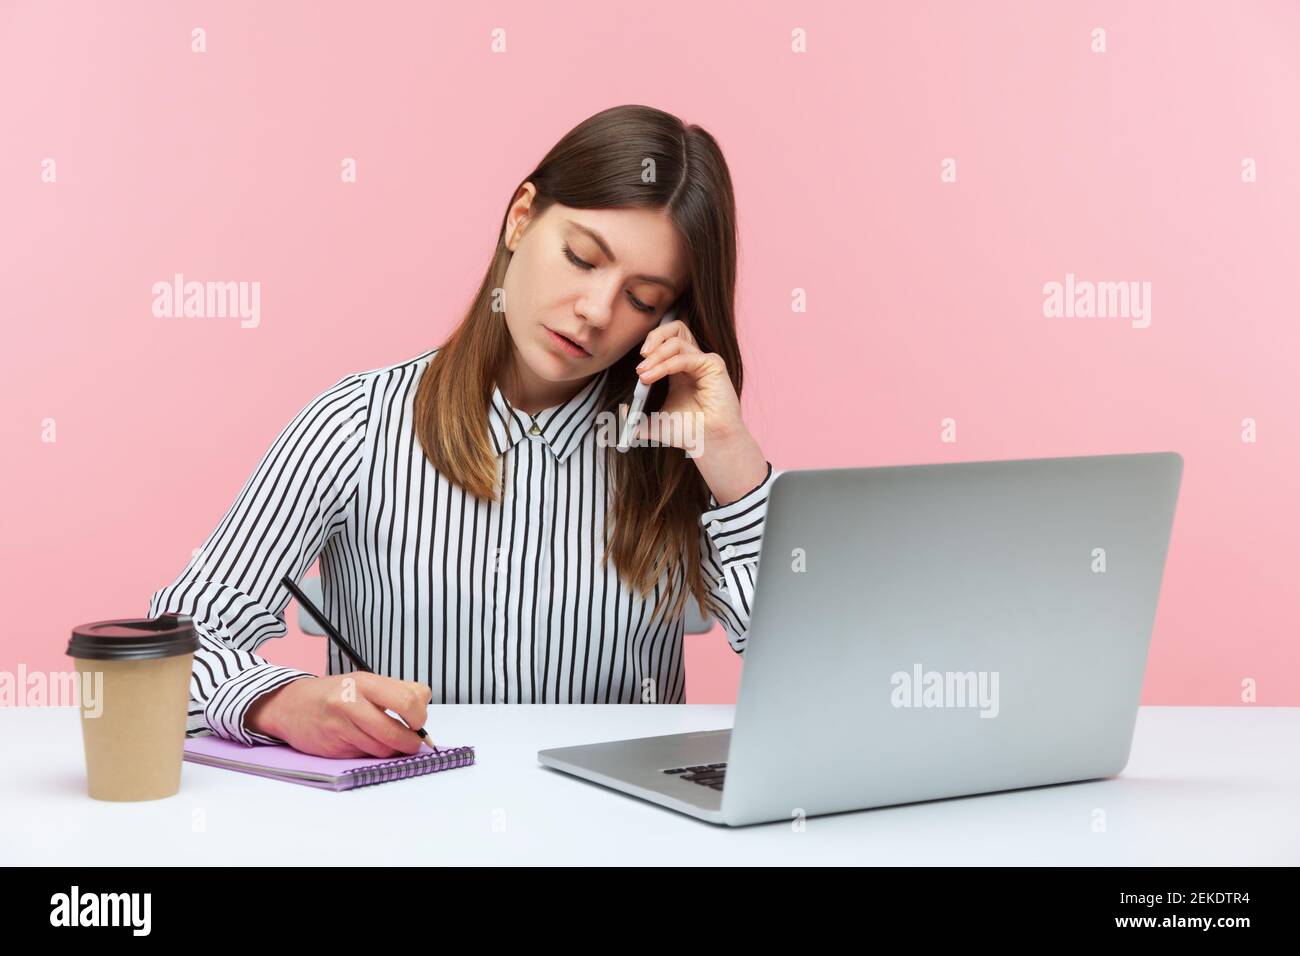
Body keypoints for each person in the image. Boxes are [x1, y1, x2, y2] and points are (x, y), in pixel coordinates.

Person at [148, 104, 775, 758]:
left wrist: (730, 461)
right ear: (521, 217)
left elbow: (824, 685)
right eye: (581, 258)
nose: (595, 312)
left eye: (642, 300)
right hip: (404, 829)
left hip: (616, 838)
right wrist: (278, 702)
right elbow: (169, 647)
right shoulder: (356, 425)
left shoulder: (679, 449)